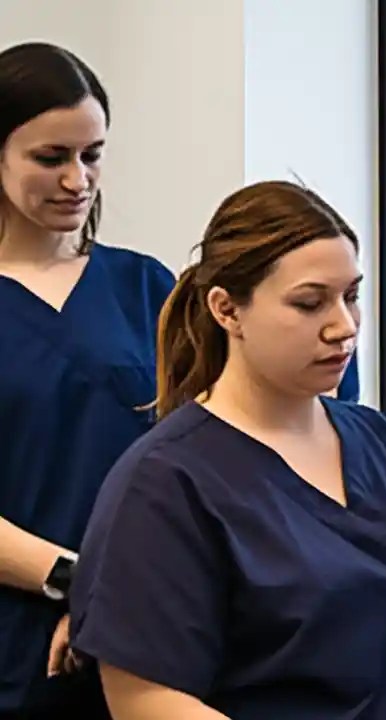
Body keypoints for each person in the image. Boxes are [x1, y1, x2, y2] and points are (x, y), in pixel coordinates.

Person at [69, 181, 386, 719]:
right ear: (227, 310)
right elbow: (146, 698)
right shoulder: (165, 485)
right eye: (310, 303)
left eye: (352, 296)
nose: (344, 326)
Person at [0, 41, 173, 719]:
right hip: (23, 645)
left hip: (155, 630)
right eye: (51, 158)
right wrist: (79, 583)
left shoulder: (146, 288)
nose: (78, 179)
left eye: (92, 154)